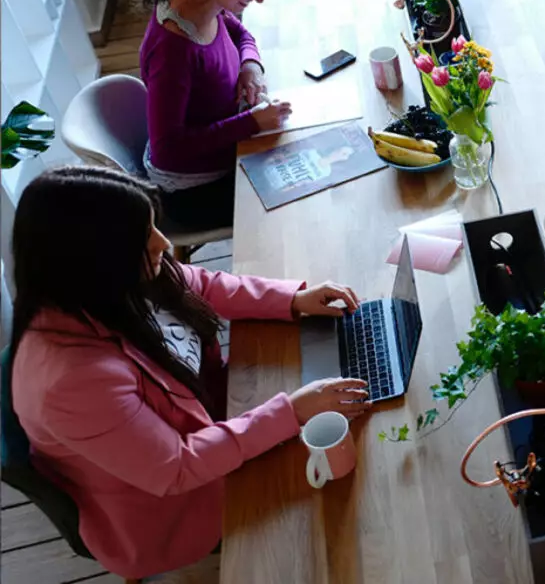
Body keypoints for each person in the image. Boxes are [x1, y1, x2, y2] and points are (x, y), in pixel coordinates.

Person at [9, 167, 369, 580]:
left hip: (219, 416)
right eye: (145, 236)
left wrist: (293, 299)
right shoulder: (69, 382)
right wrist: (291, 412)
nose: (164, 243)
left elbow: (201, 284)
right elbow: (176, 466)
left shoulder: (106, 281)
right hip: (173, 508)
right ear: (94, 256)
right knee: (340, 524)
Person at [138, 0, 292, 231]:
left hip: (225, 139)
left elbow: (239, 32)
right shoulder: (172, 49)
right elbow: (170, 150)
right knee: (295, 200)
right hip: (193, 189)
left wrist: (251, 65)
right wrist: (249, 123)